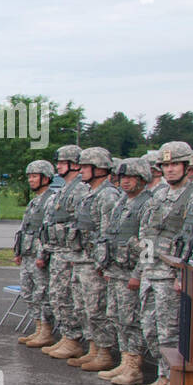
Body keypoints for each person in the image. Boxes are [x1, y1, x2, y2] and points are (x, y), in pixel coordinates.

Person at [134, 141, 193, 385]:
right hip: (151, 271)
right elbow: (145, 233)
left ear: (186, 166)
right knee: (150, 327)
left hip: (172, 276)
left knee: (170, 331)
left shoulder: (192, 197)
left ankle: (173, 379)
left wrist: (183, 274)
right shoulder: (158, 195)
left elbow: (192, 240)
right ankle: (162, 375)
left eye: (175, 164)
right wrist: (141, 270)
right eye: (166, 165)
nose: (170, 170)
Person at [97, 158, 153, 385]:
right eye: (122, 178)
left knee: (132, 320)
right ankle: (125, 359)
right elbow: (111, 235)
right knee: (117, 317)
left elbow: (149, 244)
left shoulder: (147, 204)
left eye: (131, 178)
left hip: (131, 272)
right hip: (116, 269)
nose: (125, 182)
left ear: (142, 179)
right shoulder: (121, 203)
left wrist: (138, 274)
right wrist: (107, 265)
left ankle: (134, 366)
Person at [68, 147, 122, 372]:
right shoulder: (91, 193)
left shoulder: (108, 195)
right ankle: (93, 349)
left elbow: (108, 234)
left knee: (97, 309)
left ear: (99, 169)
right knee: (84, 307)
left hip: (94, 263)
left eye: (85, 167)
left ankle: (105, 352)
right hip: (83, 259)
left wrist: (102, 264)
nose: (80, 171)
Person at [40, 146, 89, 359]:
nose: (58, 166)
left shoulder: (80, 190)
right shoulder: (66, 188)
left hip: (71, 252)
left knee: (68, 297)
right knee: (59, 296)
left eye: (62, 162)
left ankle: (73, 339)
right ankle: (67, 337)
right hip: (60, 250)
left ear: (75, 164)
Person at [16, 160, 56, 348]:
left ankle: (46, 330)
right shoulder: (34, 201)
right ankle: (38, 327)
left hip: (40, 256)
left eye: (34, 176)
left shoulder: (51, 200)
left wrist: (43, 255)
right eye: (29, 176)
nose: (31, 180)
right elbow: (24, 228)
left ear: (46, 178)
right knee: (28, 292)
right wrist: (19, 251)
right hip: (28, 253)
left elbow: (48, 231)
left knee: (42, 293)